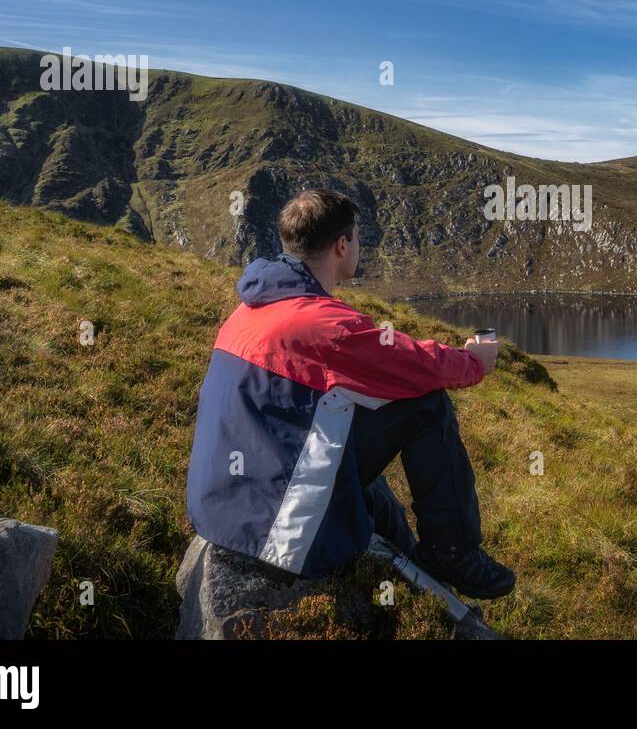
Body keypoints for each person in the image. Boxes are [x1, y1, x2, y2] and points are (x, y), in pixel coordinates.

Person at [185, 188, 515, 599]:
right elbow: (416, 366)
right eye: (356, 238)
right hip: (273, 528)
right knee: (426, 406)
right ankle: (453, 553)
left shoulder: (253, 305)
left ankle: (410, 564)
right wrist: (475, 362)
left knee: (364, 471)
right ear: (342, 245)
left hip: (220, 505)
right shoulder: (327, 326)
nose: (358, 246)